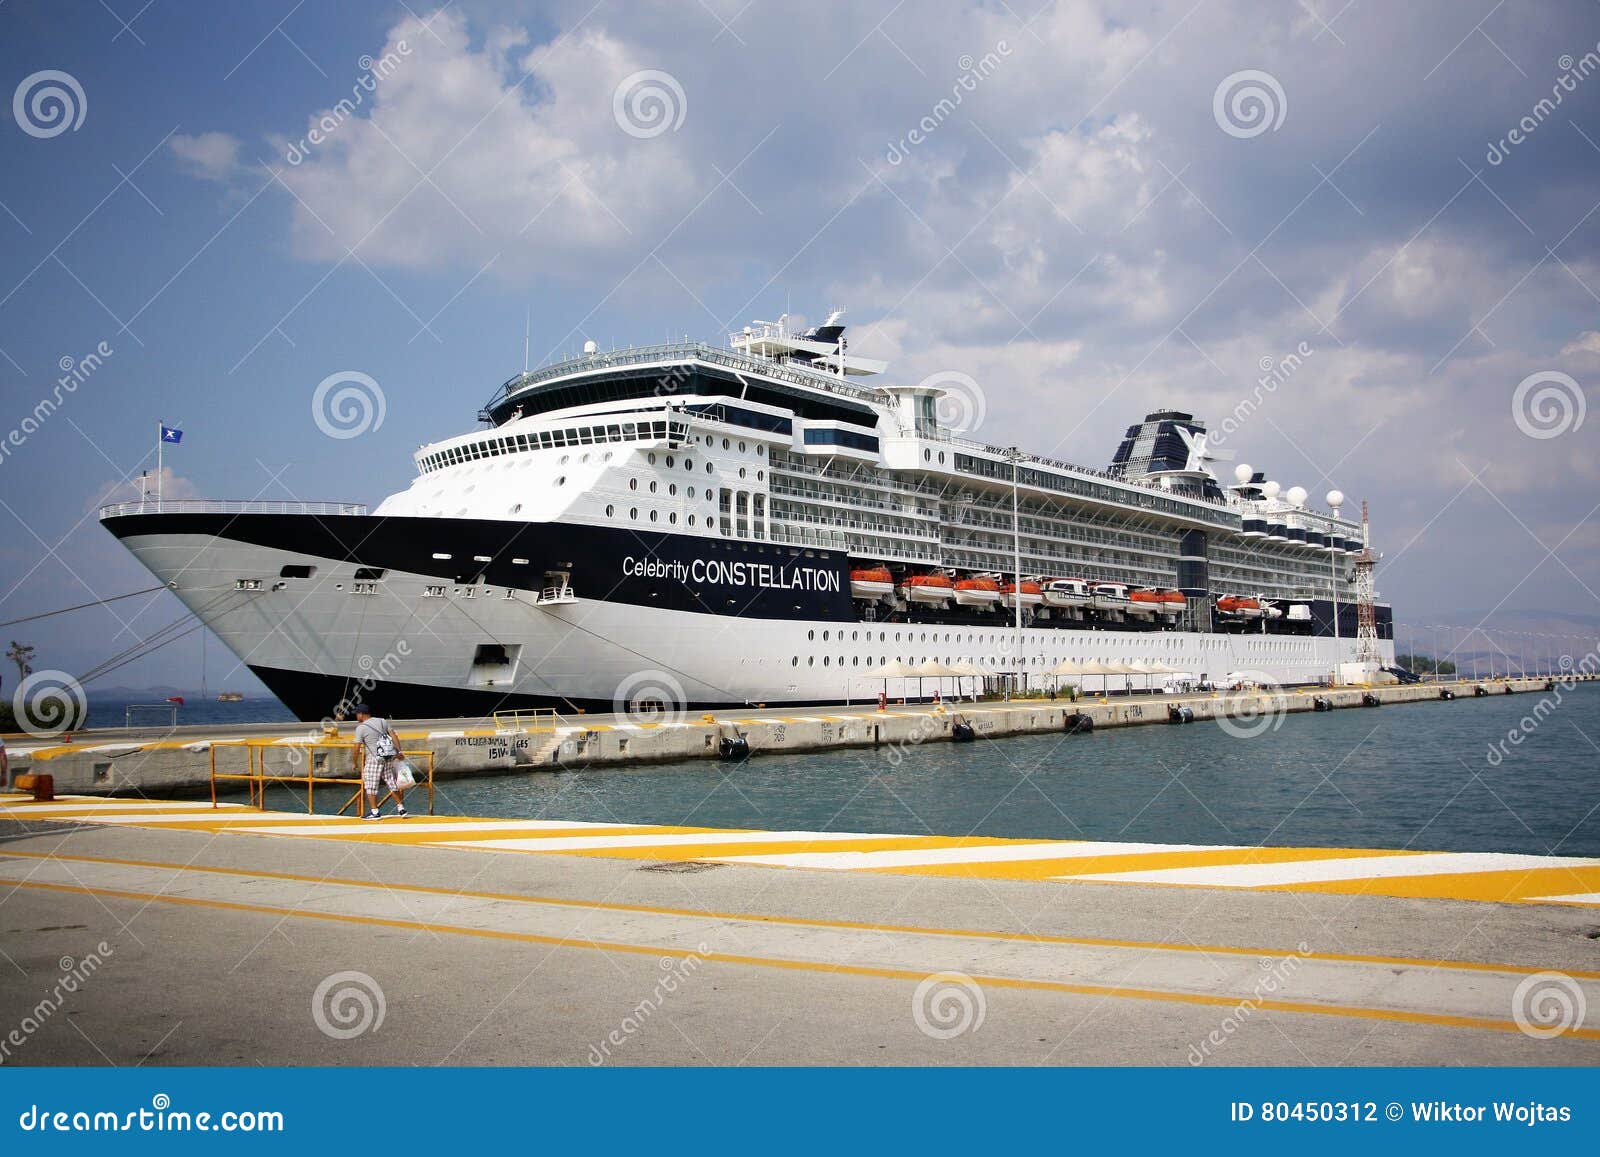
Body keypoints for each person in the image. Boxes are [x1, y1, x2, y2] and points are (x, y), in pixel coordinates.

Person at [352, 704, 407, 820]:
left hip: (374, 759)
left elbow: (356, 747)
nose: (356, 716)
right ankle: (401, 808)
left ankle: (375, 812)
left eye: (357, 714)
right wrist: (399, 752)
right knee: (391, 781)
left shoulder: (361, 728)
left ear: (361, 714)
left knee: (370, 784)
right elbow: (394, 736)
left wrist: (354, 762)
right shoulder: (382, 721)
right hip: (388, 756)